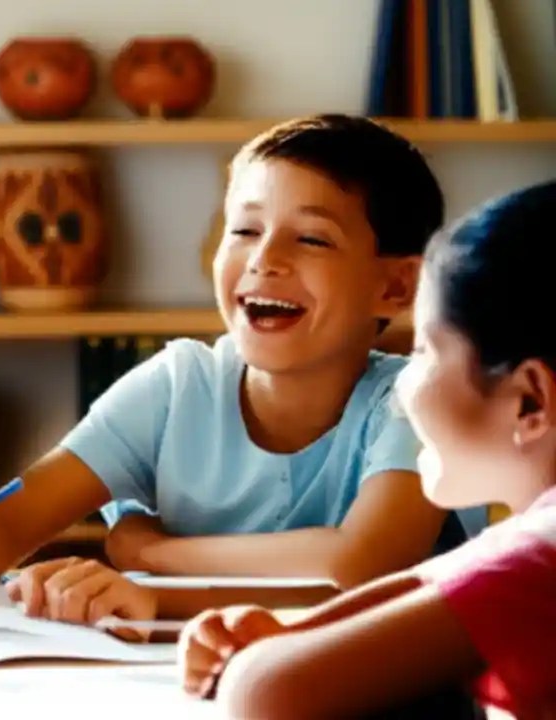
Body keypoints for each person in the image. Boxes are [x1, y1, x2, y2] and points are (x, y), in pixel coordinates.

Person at [0, 114, 457, 625]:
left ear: (396, 285)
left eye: (313, 240)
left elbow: (359, 567)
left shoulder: (415, 403)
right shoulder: (176, 386)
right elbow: (9, 525)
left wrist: (156, 561)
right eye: (244, 229)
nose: (264, 259)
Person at [181, 179, 556, 719]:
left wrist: (261, 657)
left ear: (529, 402)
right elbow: (431, 586)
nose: (402, 381)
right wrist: (290, 632)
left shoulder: (539, 561)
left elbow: (269, 695)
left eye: (424, 351)